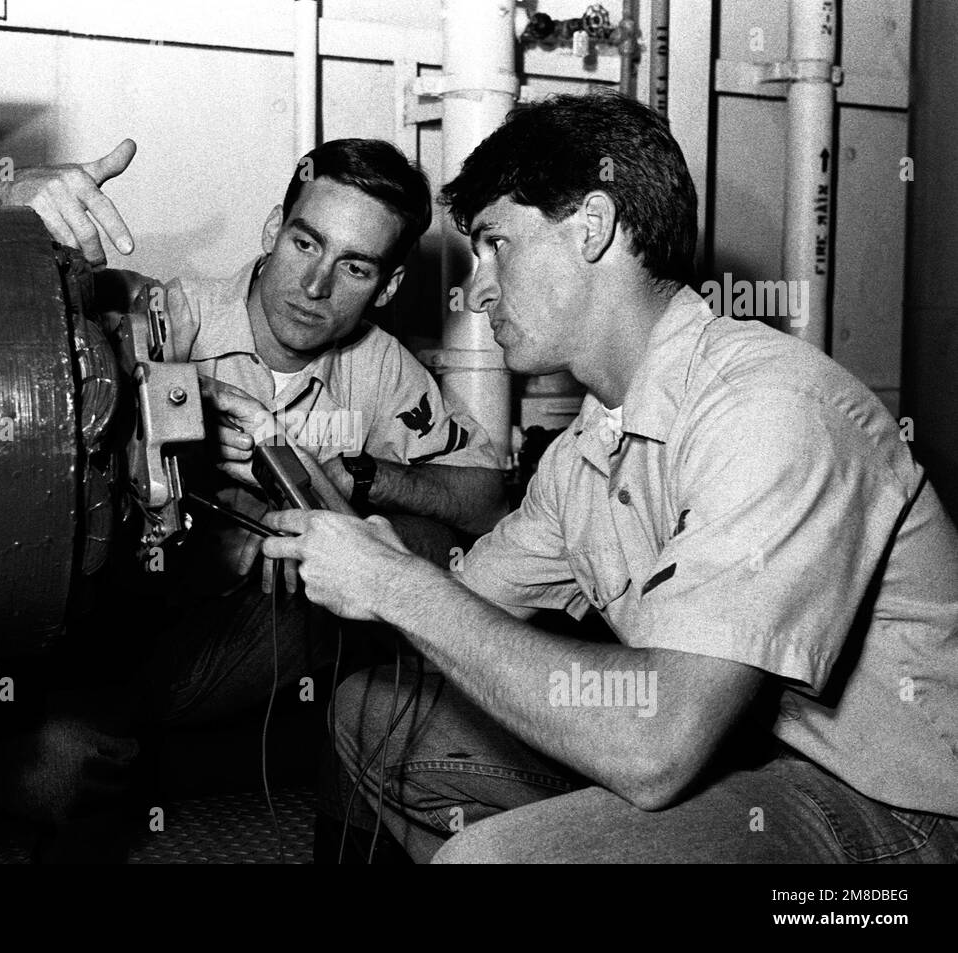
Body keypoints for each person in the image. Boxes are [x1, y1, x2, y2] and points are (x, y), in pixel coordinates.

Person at [259, 92, 958, 863]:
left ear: (592, 226)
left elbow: (657, 744)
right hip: (737, 761)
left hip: (895, 808)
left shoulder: (771, 411)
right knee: (373, 712)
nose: (479, 289)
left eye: (497, 245)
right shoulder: (587, 450)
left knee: (487, 862)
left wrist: (399, 587)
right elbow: (462, 611)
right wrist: (357, 552)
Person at [0, 138, 506, 848]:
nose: (315, 285)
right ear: (272, 230)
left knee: (430, 551)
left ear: (385, 286)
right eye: (304, 243)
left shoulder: (381, 365)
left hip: (266, 636)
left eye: (353, 266)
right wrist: (8, 200)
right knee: (51, 770)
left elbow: (482, 499)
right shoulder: (161, 317)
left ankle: (356, 792)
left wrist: (358, 475)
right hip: (126, 636)